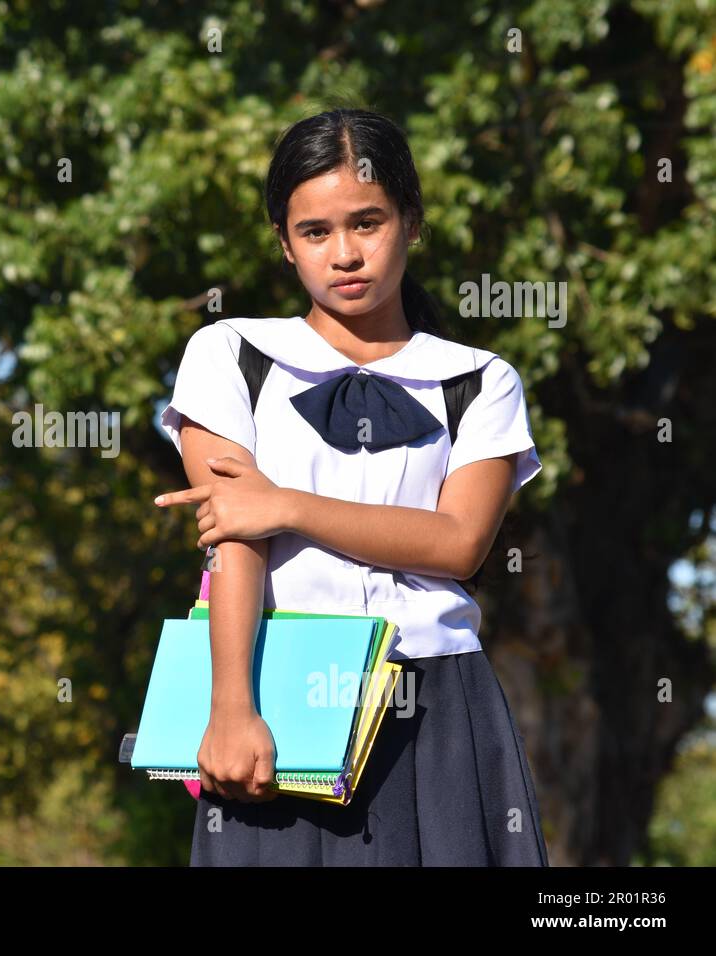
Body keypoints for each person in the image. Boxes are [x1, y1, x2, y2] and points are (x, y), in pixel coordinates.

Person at [154, 108, 550, 866]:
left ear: (412, 222)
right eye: (315, 232)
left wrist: (289, 505)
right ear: (283, 242)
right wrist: (232, 707)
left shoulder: (480, 379)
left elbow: (459, 543)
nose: (345, 254)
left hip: (439, 705)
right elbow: (235, 536)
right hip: (277, 692)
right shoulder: (229, 352)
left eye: (367, 222)